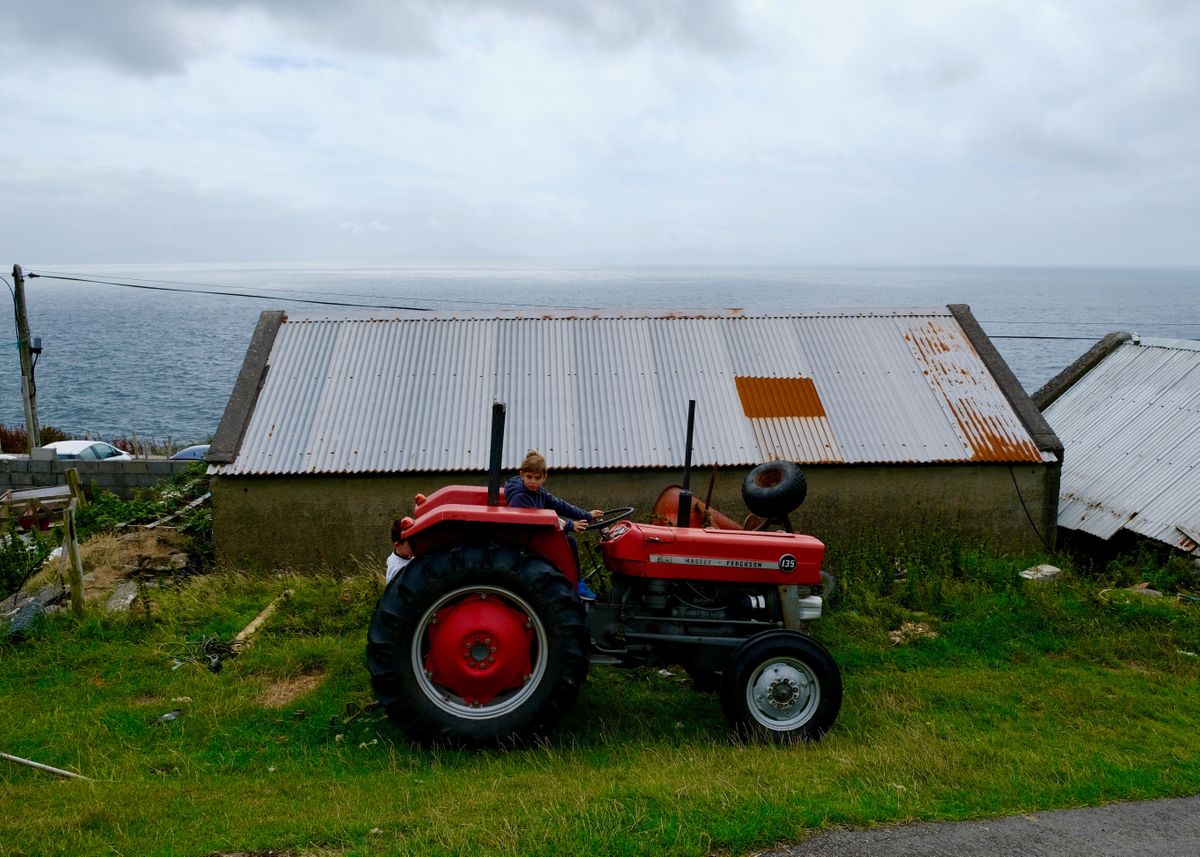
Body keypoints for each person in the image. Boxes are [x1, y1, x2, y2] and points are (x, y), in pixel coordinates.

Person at [504, 450, 603, 600]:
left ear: (544, 477)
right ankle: (575, 583)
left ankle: (574, 581)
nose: (533, 481)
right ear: (522, 474)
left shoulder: (538, 492)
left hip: (534, 532)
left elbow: (559, 505)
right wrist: (569, 525)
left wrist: (586, 515)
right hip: (524, 539)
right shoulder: (520, 496)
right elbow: (537, 517)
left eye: (537, 478)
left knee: (566, 538)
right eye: (529, 477)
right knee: (568, 541)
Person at [386, 518, 414, 585]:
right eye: (410, 543)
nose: (415, 545)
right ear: (397, 545)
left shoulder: (407, 553)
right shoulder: (397, 571)